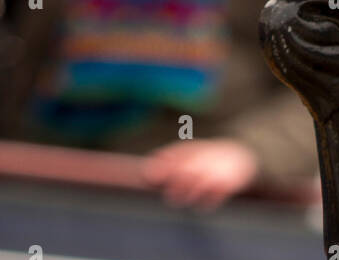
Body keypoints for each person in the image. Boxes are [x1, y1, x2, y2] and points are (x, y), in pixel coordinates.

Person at [0, 0, 318, 208]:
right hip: (48, 194)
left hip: (206, 211)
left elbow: (328, 84)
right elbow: (26, 64)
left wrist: (249, 152)